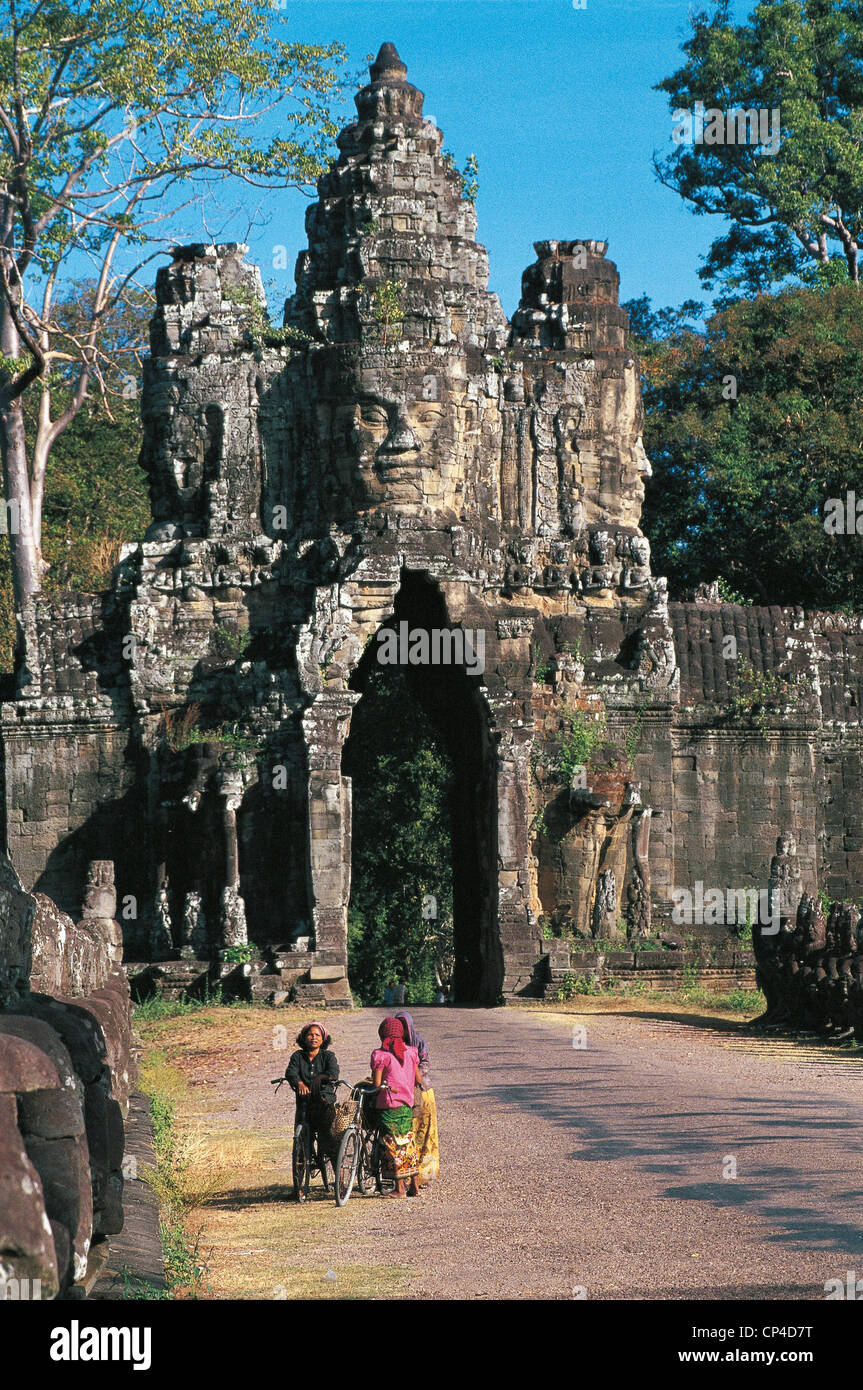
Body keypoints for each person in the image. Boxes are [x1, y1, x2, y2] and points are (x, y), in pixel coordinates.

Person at [370, 1017, 423, 1198]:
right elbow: (418, 1079)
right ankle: (414, 1185)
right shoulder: (411, 1052)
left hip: (388, 1106)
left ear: (382, 1033)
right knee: (408, 1142)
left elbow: (377, 1083)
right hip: (406, 1105)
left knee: (392, 1146)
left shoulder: (381, 1055)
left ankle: (399, 1188)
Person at [285, 1021, 339, 1169]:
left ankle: (338, 1180)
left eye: (317, 1035)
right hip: (304, 1103)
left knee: (329, 1140)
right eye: (310, 1034)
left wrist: (322, 1077)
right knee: (301, 1140)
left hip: (324, 1103)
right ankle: (300, 1185)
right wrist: (300, 1084)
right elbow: (291, 1072)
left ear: (323, 1039)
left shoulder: (328, 1056)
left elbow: (334, 1073)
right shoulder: (297, 1056)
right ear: (304, 1038)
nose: (313, 1037)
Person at [395, 1010, 439, 1188]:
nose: (402, 1031)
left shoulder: (419, 1041)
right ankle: (407, 1176)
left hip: (422, 1091)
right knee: (407, 1136)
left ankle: (426, 1176)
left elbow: (424, 1064)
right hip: (403, 1094)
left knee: (427, 1135)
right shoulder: (393, 1043)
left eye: (404, 1027)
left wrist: (411, 1077)